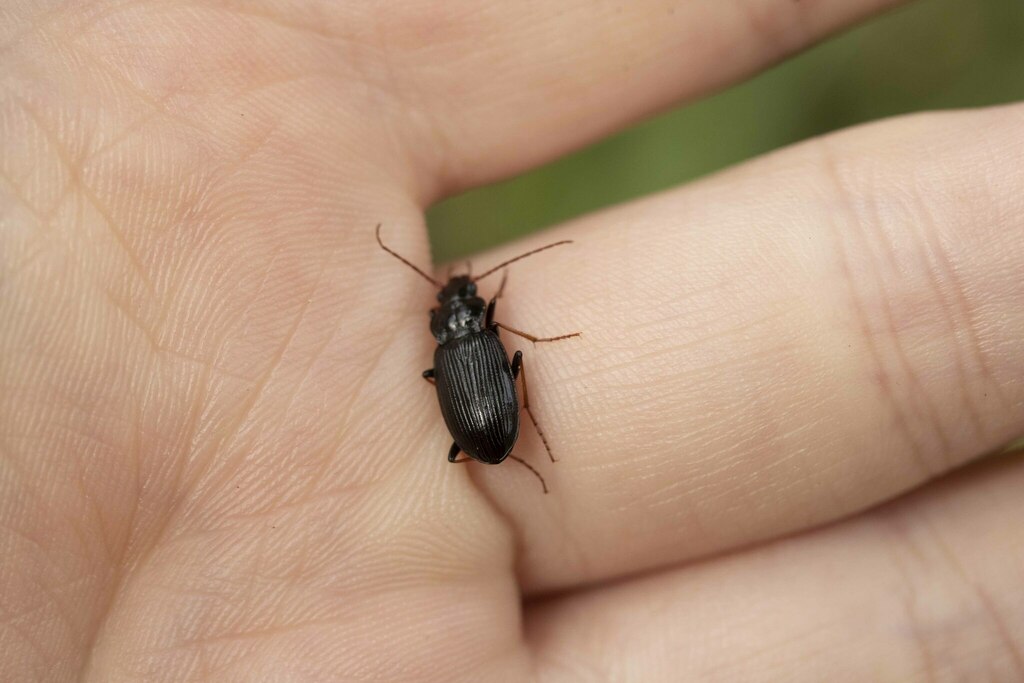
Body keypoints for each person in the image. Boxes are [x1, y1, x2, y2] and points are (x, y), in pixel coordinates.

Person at [2, 1, 1022, 680]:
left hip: (479, 423)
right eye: (464, 304)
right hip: (485, 422)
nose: (462, 303)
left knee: (485, 385)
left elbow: (466, 368)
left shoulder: (453, 352)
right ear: (468, 316)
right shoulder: (471, 343)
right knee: (498, 378)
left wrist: (488, 410)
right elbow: (483, 360)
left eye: (462, 304)